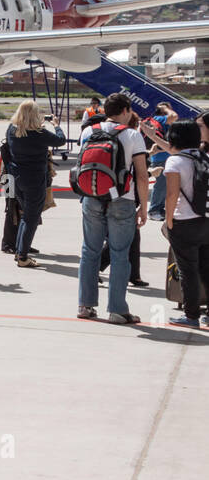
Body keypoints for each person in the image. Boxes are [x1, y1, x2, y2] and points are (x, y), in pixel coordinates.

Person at [76, 93, 148, 324]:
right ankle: (117, 309)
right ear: (126, 110)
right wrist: (143, 207)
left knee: (90, 251)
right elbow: (142, 176)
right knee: (119, 254)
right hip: (123, 199)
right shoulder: (132, 135)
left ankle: (85, 306)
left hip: (92, 196)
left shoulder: (89, 131)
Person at [5, 100, 64, 268]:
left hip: (16, 177)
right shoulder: (40, 133)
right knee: (31, 218)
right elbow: (60, 140)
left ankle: (19, 251)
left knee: (26, 215)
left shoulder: (12, 130)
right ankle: (23, 256)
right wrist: (56, 125)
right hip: (34, 179)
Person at [162, 120, 209, 328]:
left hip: (184, 221)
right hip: (206, 219)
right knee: (207, 268)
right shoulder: (205, 157)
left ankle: (191, 316)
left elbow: (172, 194)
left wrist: (169, 218)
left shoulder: (175, 161)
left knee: (187, 270)